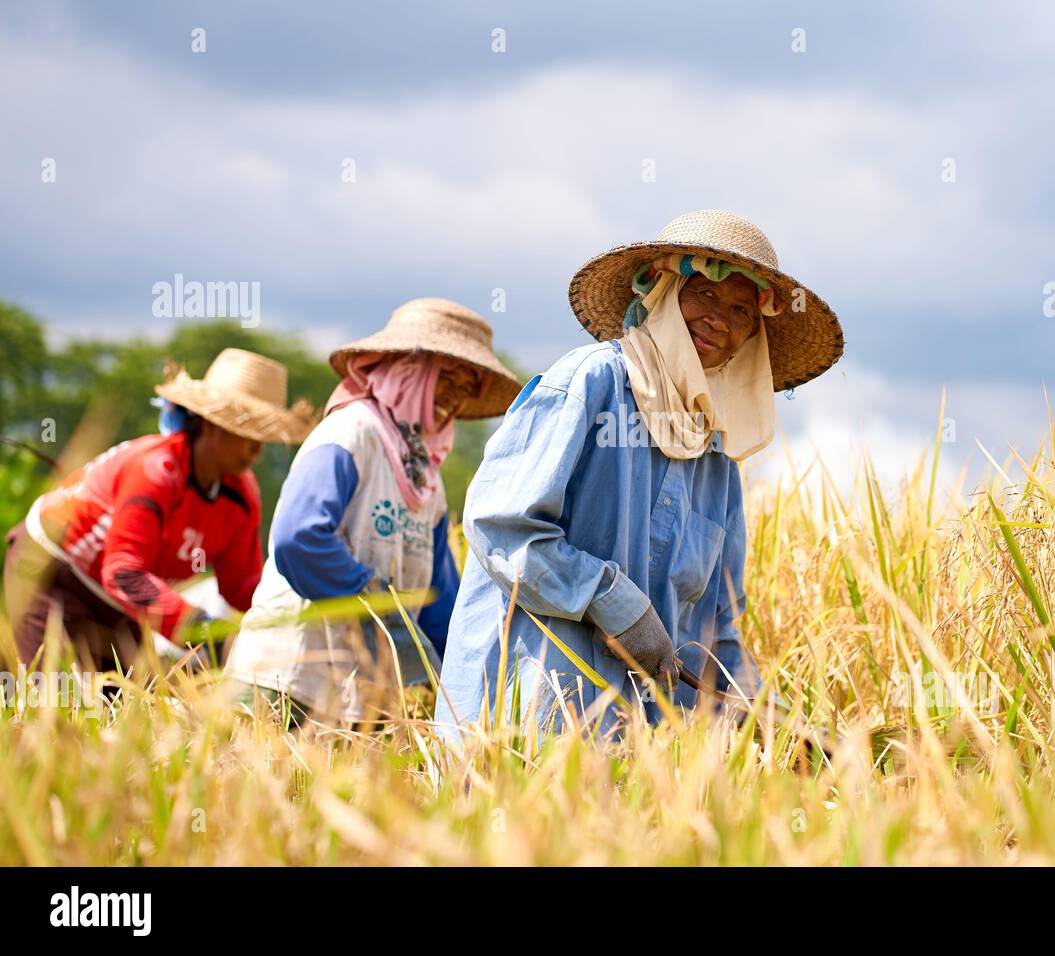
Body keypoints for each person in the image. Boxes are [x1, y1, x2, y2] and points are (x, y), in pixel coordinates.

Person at [435, 209, 844, 741]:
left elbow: (720, 626)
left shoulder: (716, 459)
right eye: (705, 292)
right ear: (661, 292)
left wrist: (762, 722)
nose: (720, 317)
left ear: (752, 336)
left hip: (630, 746)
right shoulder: (590, 383)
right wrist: (611, 600)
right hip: (518, 722)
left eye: (742, 310)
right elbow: (503, 529)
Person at [224, 298, 521, 726]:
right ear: (408, 369)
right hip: (286, 682)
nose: (456, 397)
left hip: (363, 701)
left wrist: (464, 683)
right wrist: (370, 596)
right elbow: (299, 538)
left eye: (467, 386)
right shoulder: (351, 433)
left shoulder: (426, 478)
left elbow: (437, 601)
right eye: (448, 378)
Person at [3, 348, 314, 671]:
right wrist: (206, 632)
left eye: (265, 434)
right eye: (247, 431)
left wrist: (287, 618)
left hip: (119, 604)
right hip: (51, 572)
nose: (258, 448)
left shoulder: (242, 494)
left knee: (124, 707)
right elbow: (124, 573)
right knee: (54, 700)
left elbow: (241, 587)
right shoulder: (156, 471)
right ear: (211, 425)